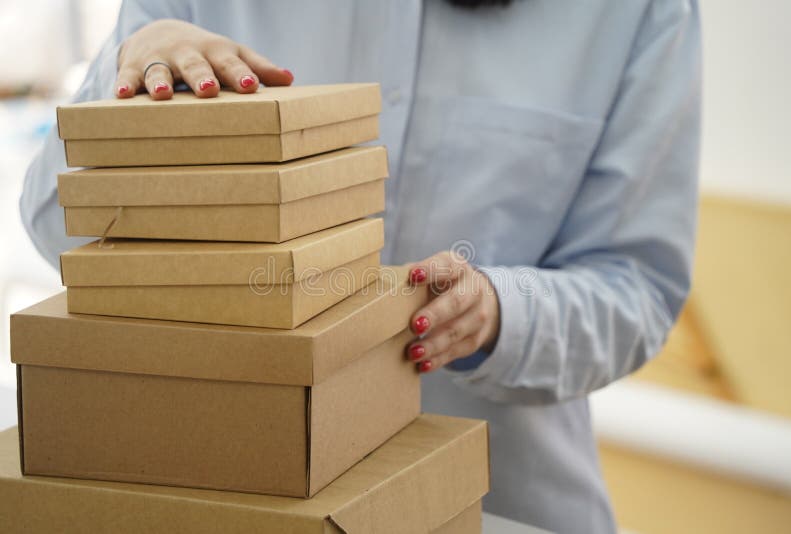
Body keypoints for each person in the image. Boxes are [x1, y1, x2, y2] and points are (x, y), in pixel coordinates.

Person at [20, 1, 701, 532]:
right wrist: (125, 64)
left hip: (504, 502)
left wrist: (501, 311)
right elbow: (59, 229)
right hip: (227, 491)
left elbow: (635, 286)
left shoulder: (634, 11)